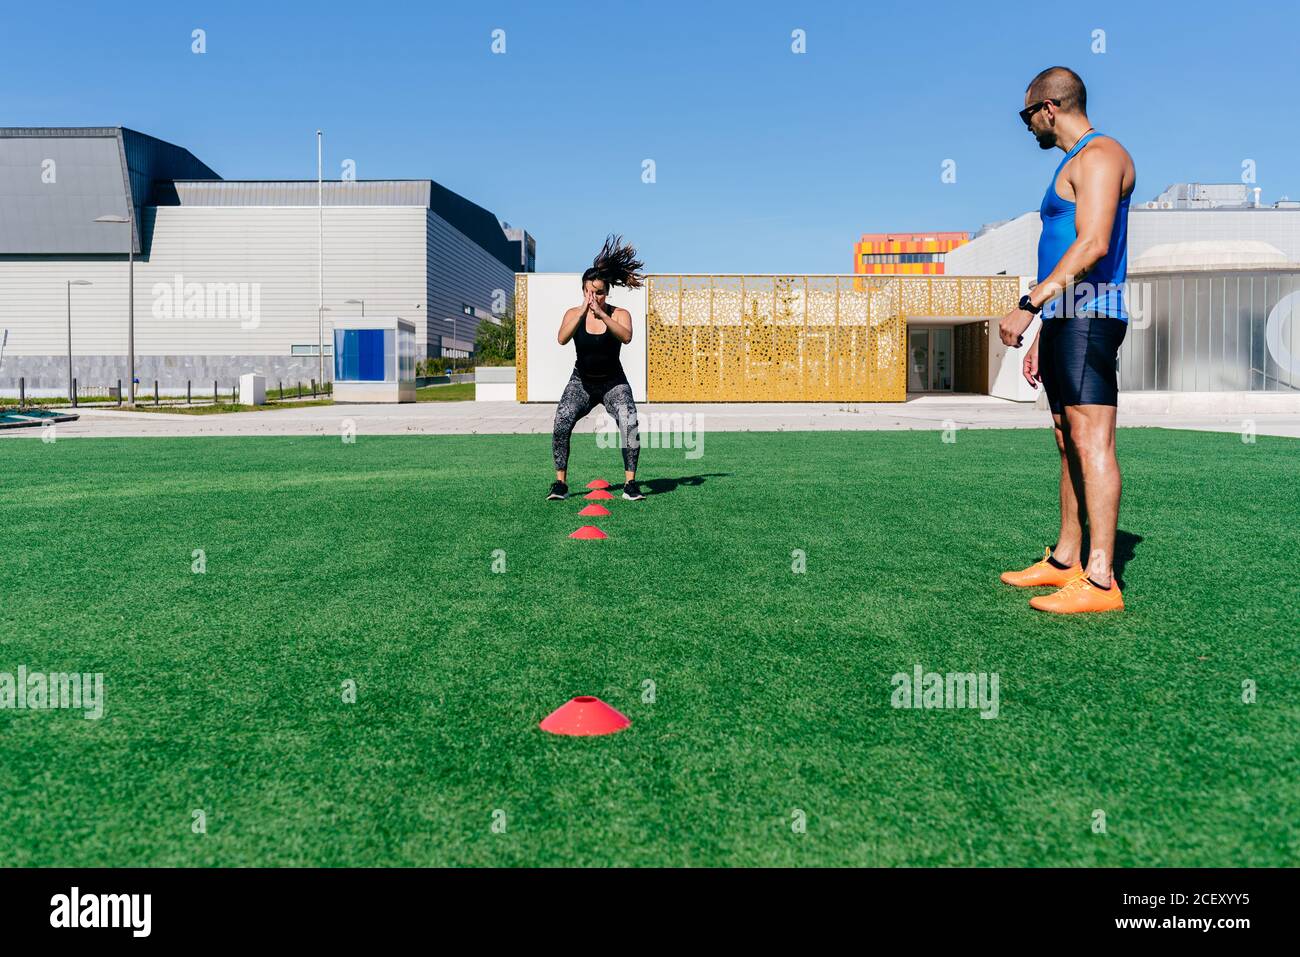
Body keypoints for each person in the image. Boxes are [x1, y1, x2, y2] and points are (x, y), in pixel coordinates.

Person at [998, 66, 1136, 613]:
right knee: (1065, 437)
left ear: (1049, 108)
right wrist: (1046, 328)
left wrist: (1030, 303)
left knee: (1091, 439)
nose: (1027, 125)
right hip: (1066, 316)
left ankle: (1100, 581)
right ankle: (1065, 561)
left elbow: (1095, 243)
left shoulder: (1100, 156)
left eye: (1026, 114)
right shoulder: (1071, 163)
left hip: (1092, 313)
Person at [548, 235, 645, 502]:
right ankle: (560, 484)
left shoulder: (619, 313)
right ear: (583, 291)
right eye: (589, 292)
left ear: (607, 292)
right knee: (560, 423)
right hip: (582, 383)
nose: (594, 297)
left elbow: (626, 337)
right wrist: (582, 312)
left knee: (630, 423)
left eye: (599, 292)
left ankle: (631, 484)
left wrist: (602, 314)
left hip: (613, 383)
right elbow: (562, 338)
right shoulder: (572, 314)